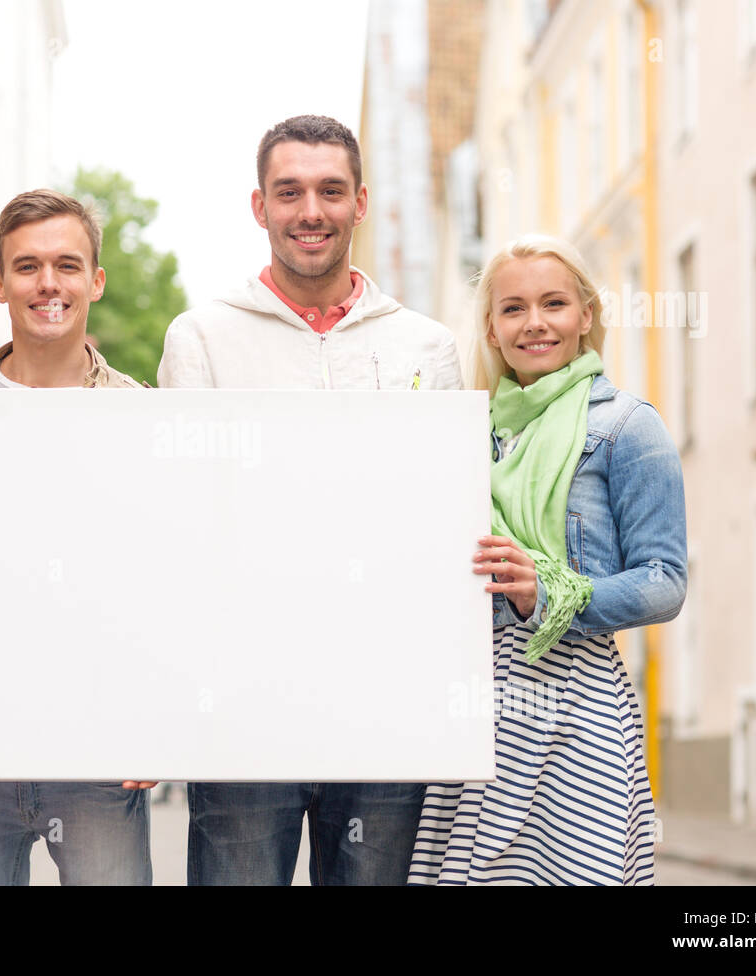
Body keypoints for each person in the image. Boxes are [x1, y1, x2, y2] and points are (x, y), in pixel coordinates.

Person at [157, 115, 463, 886]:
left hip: (385, 702)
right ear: (259, 207)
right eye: (289, 192)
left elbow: (445, 518)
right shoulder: (202, 338)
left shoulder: (426, 346)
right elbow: (183, 524)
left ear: (361, 201)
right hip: (245, 703)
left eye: (330, 191)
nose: (310, 211)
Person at [408, 235, 687, 885]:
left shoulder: (627, 426)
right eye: (514, 309)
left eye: (554, 303)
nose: (535, 322)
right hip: (479, 704)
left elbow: (665, 582)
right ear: (492, 329)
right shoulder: (465, 433)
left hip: (577, 703)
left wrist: (553, 590)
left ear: (586, 314)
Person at [0, 188, 154, 886]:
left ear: (96, 282)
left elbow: (162, 575)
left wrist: (158, 718)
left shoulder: (140, 414)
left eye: (67, 265)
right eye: (27, 266)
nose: (48, 283)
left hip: (99, 749)